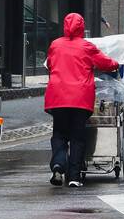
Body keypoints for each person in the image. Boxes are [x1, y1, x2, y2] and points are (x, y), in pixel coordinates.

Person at [44, 13, 120, 188]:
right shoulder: (87, 46)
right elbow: (105, 63)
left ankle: (58, 165)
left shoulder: (55, 45)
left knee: (59, 134)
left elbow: (49, 63)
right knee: (77, 138)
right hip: (80, 99)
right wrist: (116, 64)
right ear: (81, 27)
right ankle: (74, 177)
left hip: (58, 97)